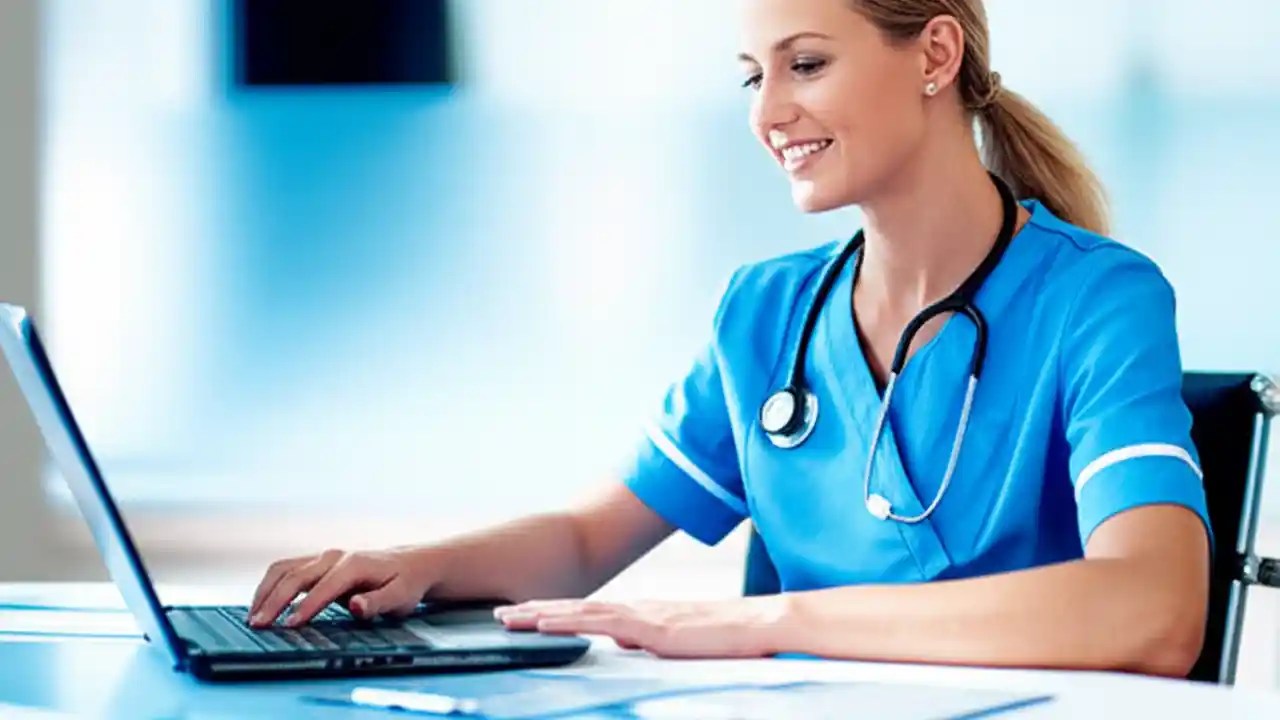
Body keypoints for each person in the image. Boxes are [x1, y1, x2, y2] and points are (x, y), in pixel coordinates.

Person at [247, 0, 1211, 677]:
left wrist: (767, 622)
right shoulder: (766, 315)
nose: (766, 113)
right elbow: (590, 539)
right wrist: (420, 565)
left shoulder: (1098, 300)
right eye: (755, 76)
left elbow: (1154, 612)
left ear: (934, 55)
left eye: (806, 64)